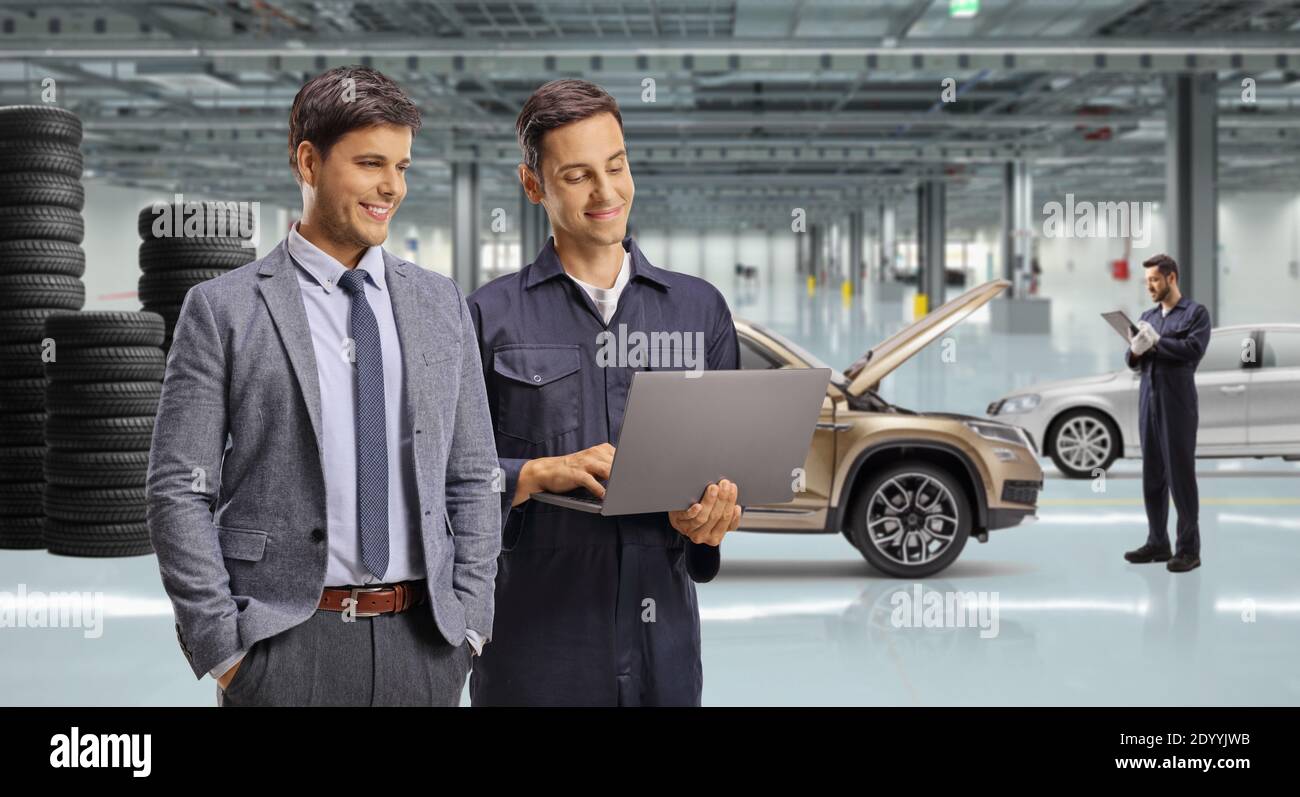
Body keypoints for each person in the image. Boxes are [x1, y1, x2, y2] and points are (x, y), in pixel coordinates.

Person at [147, 66, 501, 706]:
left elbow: (473, 474)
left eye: (402, 166)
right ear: (308, 162)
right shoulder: (222, 310)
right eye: (371, 163)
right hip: (284, 645)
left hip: (423, 646)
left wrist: (469, 625)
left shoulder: (439, 303)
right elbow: (178, 488)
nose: (391, 187)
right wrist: (225, 650)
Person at [466, 79, 742, 706]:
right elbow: (442, 482)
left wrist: (712, 518)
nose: (607, 192)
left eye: (616, 166)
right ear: (533, 185)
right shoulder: (487, 318)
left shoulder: (699, 311)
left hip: (661, 653)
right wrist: (533, 473)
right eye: (578, 176)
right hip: (532, 651)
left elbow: (725, 478)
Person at [1123, 253, 1211, 573]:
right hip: (1149, 399)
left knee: (1180, 478)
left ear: (1171, 278)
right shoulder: (1148, 315)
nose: (1150, 287)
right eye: (1147, 281)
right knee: (1153, 477)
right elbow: (1132, 360)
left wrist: (1158, 343)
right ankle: (1157, 542)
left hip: (1177, 403)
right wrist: (1135, 349)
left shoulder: (1195, 314)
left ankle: (1189, 550)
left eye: (1155, 280)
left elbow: (1192, 351)